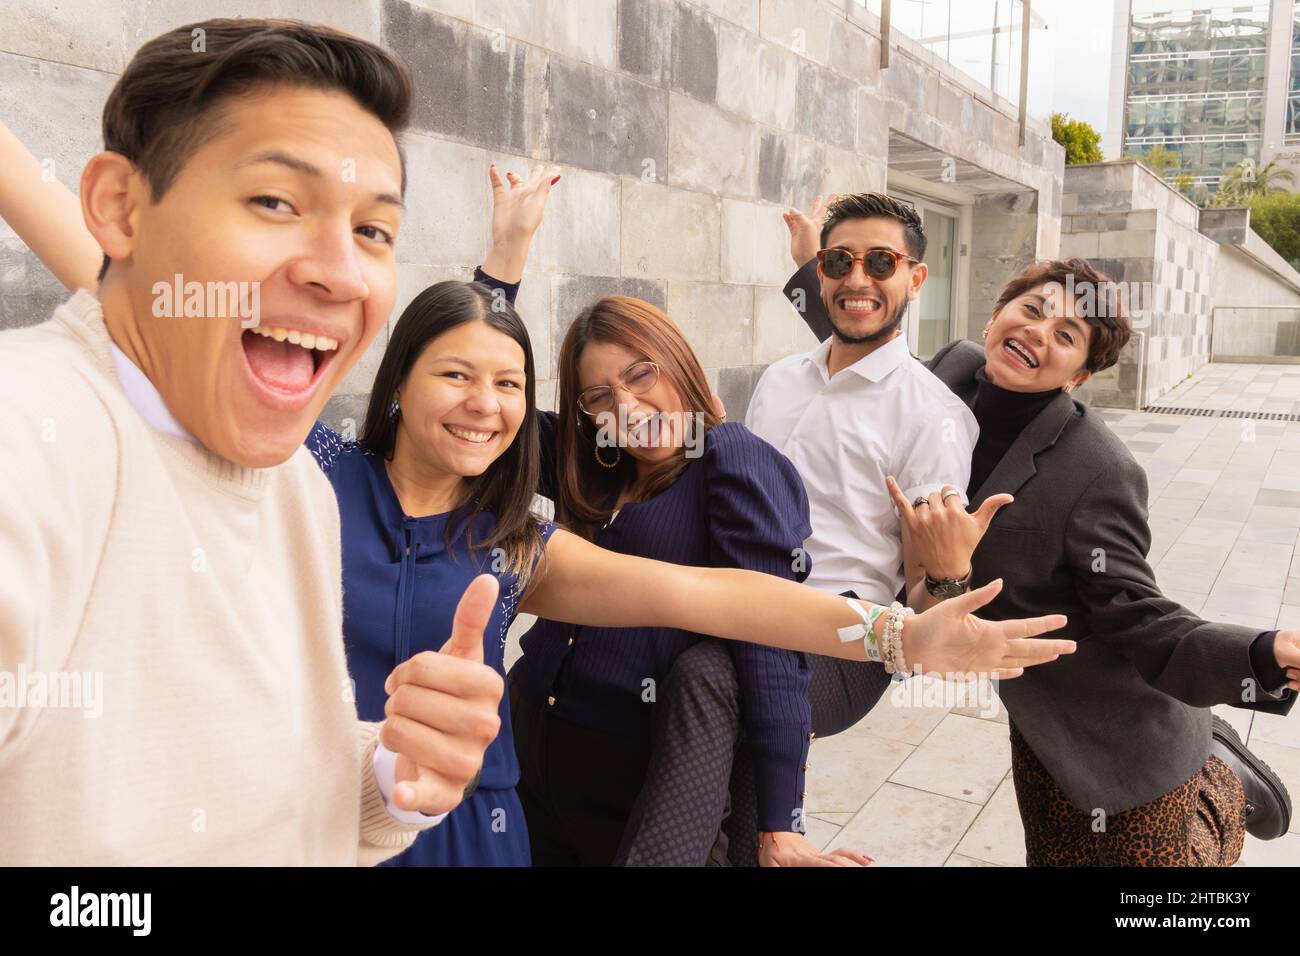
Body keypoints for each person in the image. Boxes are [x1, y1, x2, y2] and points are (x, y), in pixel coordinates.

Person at [2, 48, 1079, 867]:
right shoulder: (313, 474)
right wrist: (503, 268)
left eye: (372, 229)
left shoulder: (516, 536)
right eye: (275, 203)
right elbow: (133, 294)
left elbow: (723, 600)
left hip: (463, 810)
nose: (484, 407)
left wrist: (900, 629)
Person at [0, 19, 506, 864]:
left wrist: (389, 773)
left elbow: (256, 793)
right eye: (276, 202)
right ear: (120, 208)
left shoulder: (297, 489)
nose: (339, 271)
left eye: (375, 232)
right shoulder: (31, 435)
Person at [793, 235, 1300, 864]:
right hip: (1037, 712)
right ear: (996, 313)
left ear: (1081, 375)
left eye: (1066, 335)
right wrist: (813, 268)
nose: (1038, 333)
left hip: (1114, 720)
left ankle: (1218, 783)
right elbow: (867, 364)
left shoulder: (1098, 470)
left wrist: (1260, 655)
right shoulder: (950, 370)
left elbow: (1140, 617)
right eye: (1032, 311)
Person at [617, 192, 983, 865]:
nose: (858, 279)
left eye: (881, 262)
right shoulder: (782, 380)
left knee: (709, 676)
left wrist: (952, 574)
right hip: (743, 608)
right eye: (840, 260)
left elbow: (928, 607)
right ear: (819, 273)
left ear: (916, 278)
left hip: (845, 642)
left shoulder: (932, 416)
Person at [510, 294, 848, 866]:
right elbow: (487, 399)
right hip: (524, 751)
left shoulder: (729, 458)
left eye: (640, 373)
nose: (626, 406)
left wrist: (780, 821)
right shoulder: (594, 461)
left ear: (678, 361)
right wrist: (505, 261)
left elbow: (768, 633)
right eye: (599, 396)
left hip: (627, 774)